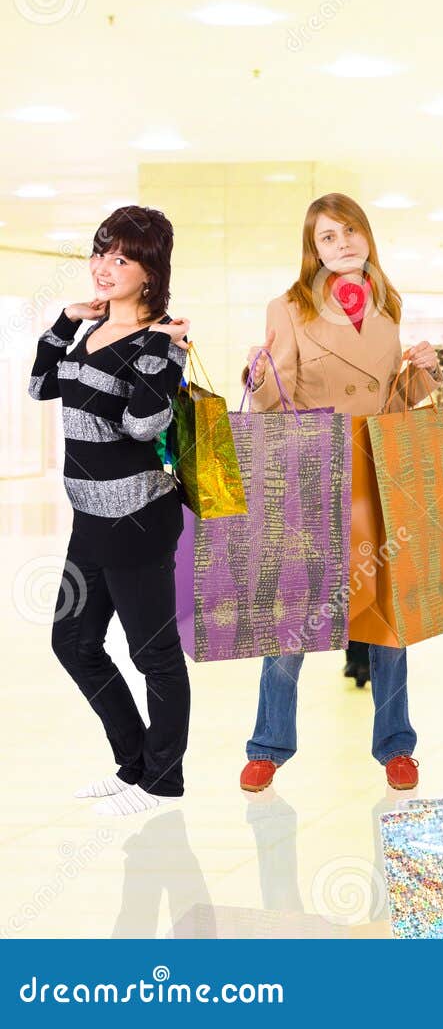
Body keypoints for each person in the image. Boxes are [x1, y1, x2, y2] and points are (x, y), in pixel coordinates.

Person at [237, 193, 443, 793]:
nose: (342, 244)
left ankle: (396, 745)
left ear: (367, 236)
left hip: (376, 470)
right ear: (314, 249)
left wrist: (423, 372)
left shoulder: (387, 304)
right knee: (292, 614)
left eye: (350, 232)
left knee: (386, 615)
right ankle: (268, 745)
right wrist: (257, 375)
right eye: (327, 237)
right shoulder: (289, 307)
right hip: (314, 467)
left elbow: (391, 405)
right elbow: (275, 399)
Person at [31, 205, 193, 816]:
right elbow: (41, 386)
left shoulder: (161, 341)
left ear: (149, 272)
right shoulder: (89, 329)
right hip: (90, 516)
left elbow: (143, 423)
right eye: (101, 252)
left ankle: (163, 780)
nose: (104, 266)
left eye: (121, 257)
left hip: (137, 516)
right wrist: (64, 321)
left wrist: (159, 353)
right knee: (72, 641)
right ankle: (133, 765)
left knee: (153, 655)